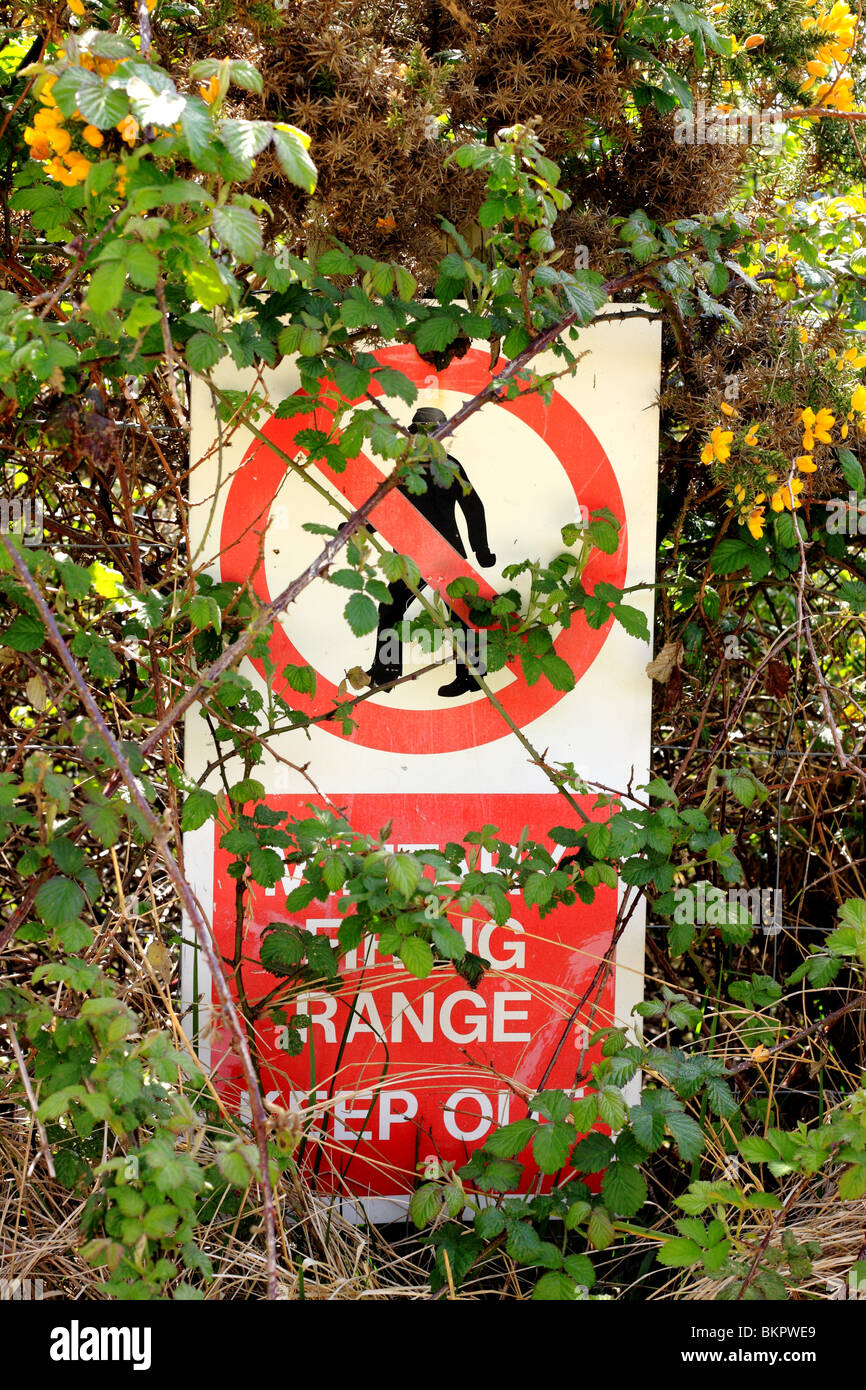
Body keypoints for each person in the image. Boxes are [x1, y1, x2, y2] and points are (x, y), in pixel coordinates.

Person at [367, 407, 497, 698]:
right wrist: (360, 524)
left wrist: (481, 549)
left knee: (462, 612)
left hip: (446, 551)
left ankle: (473, 675)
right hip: (410, 553)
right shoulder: (405, 469)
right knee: (391, 607)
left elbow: (472, 507)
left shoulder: (450, 467)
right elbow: (384, 506)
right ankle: (386, 669)